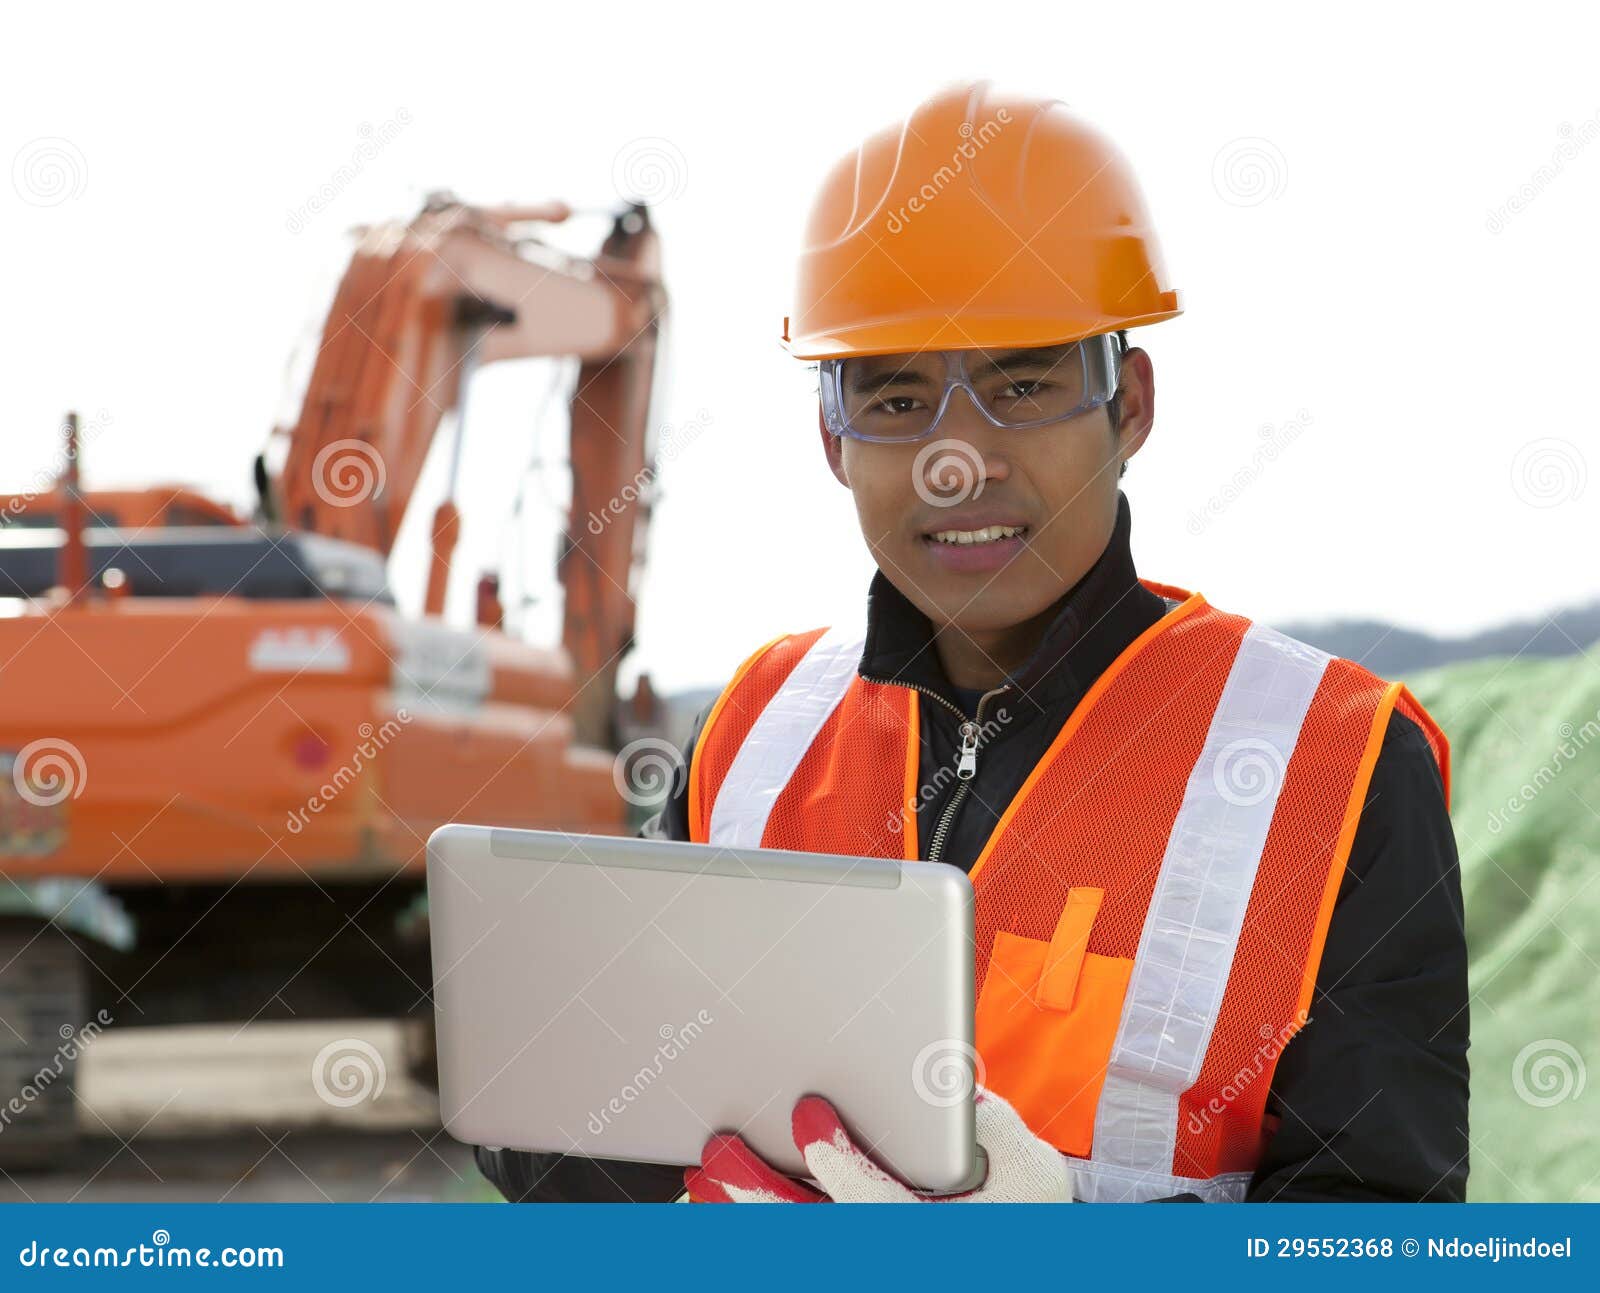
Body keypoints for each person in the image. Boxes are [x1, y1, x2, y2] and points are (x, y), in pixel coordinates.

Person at [475, 80, 1469, 1204]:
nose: (958, 460)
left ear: (1129, 406)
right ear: (831, 440)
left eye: (1023, 384)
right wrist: (540, 1104)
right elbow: (591, 1151)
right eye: (897, 401)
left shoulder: (1331, 764)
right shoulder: (753, 734)